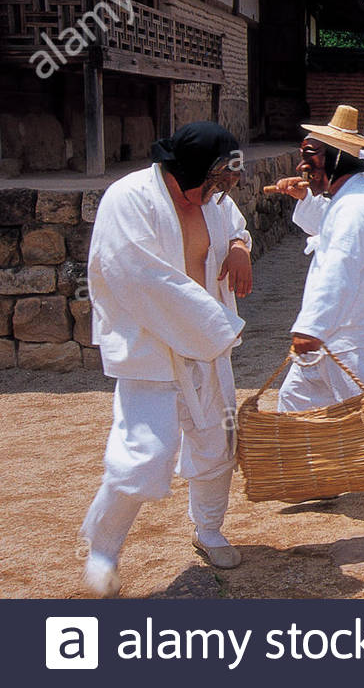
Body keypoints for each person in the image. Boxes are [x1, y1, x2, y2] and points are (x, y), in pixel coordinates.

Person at [80, 122, 251, 597]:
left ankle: (208, 529)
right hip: (154, 348)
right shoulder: (129, 197)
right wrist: (215, 326)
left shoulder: (212, 201)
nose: (222, 188)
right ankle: (102, 550)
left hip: (207, 347)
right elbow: (135, 275)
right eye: (217, 177)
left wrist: (239, 247)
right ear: (192, 169)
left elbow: (236, 225)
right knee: (143, 453)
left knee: (218, 441)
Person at [272, 105, 364, 528]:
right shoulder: (348, 200)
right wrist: (306, 198)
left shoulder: (356, 206)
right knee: (299, 400)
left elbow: (338, 265)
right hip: (335, 332)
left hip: (356, 332)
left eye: (311, 156)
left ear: (337, 157)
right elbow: (329, 230)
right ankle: (325, 475)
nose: (303, 165)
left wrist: (310, 328)